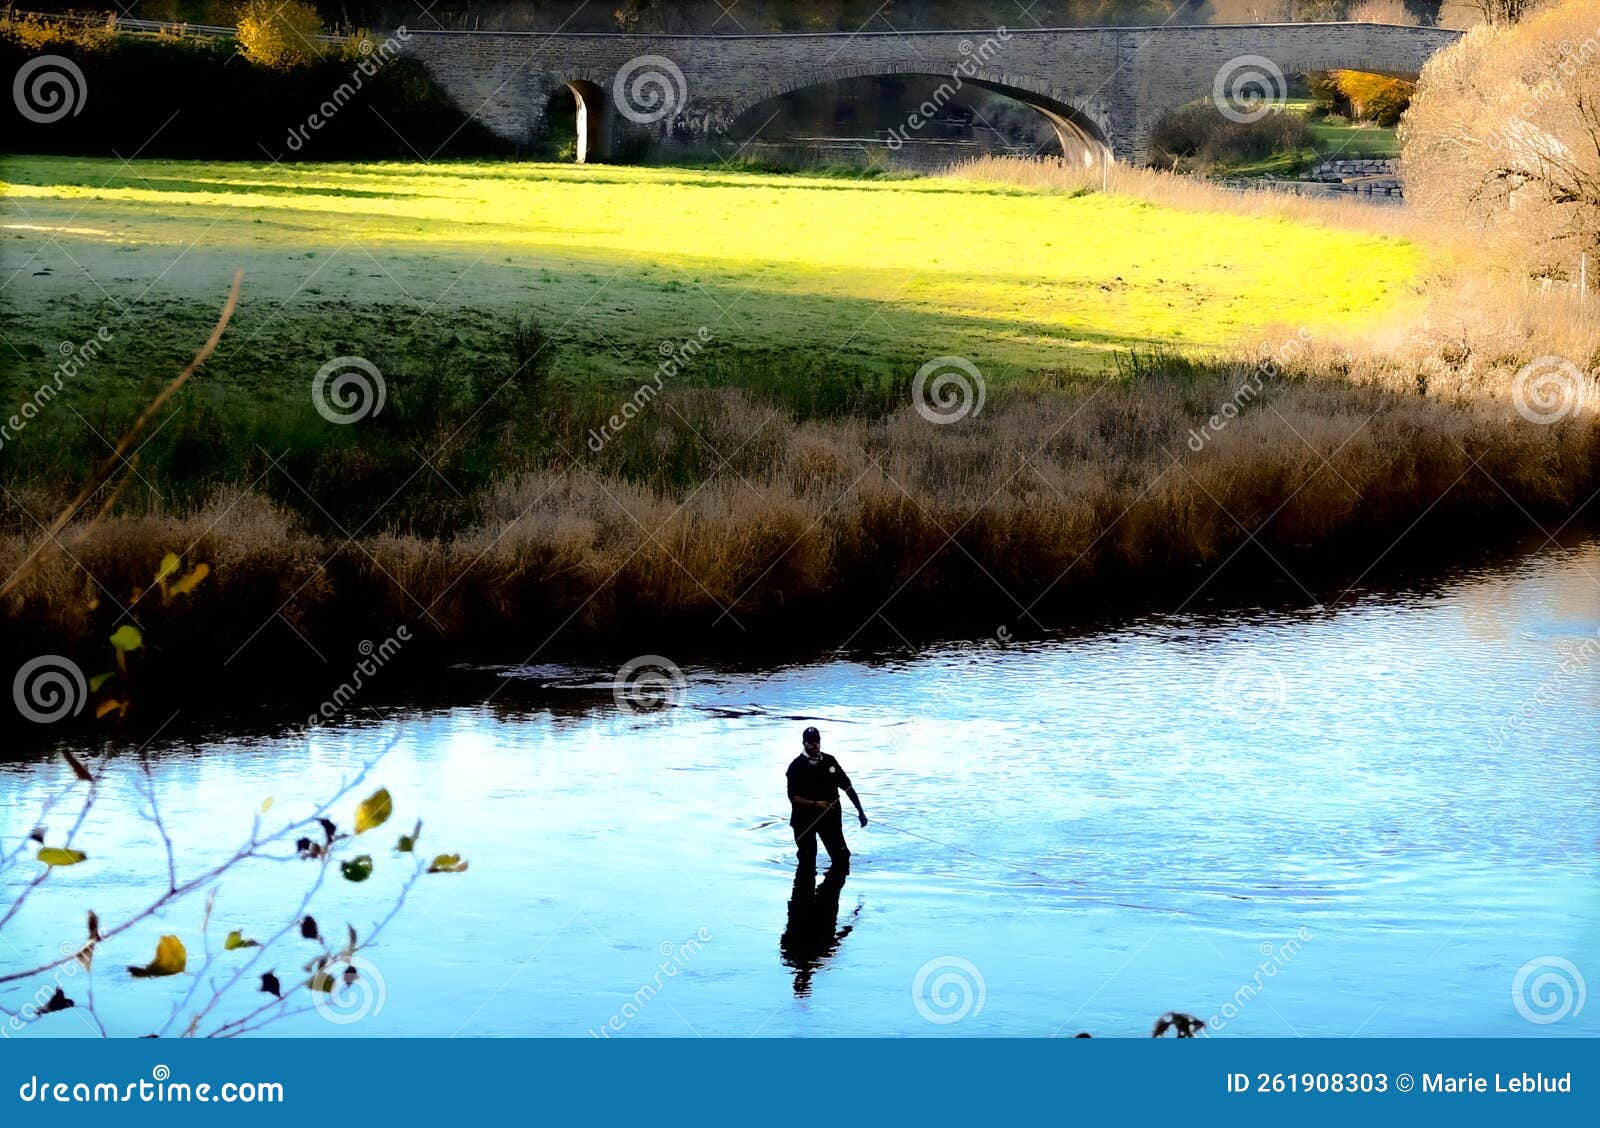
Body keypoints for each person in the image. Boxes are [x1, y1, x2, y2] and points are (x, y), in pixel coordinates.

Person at [786, 726, 866, 868]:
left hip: (830, 819)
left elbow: (847, 787)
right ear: (804, 743)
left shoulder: (830, 761)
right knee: (807, 858)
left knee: (842, 857)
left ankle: (828, 889)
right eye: (810, 742)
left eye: (817, 741)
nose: (814, 744)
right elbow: (793, 797)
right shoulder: (796, 766)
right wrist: (816, 803)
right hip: (803, 821)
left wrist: (860, 812)